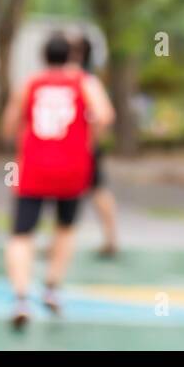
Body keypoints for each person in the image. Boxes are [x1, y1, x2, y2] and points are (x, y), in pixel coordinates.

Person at [1, 32, 115, 331]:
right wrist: (89, 139)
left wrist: (19, 135)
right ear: (71, 56)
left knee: (21, 233)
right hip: (73, 166)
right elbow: (104, 115)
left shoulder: (30, 83)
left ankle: (21, 298)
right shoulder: (84, 82)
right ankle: (52, 287)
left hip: (35, 166)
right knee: (65, 227)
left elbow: (9, 124)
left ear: (43, 55)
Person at [70, 35, 119, 259]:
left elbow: (105, 116)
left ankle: (111, 239)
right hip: (69, 148)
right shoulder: (74, 78)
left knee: (98, 190)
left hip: (82, 148)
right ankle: (58, 240)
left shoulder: (86, 80)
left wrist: (90, 140)